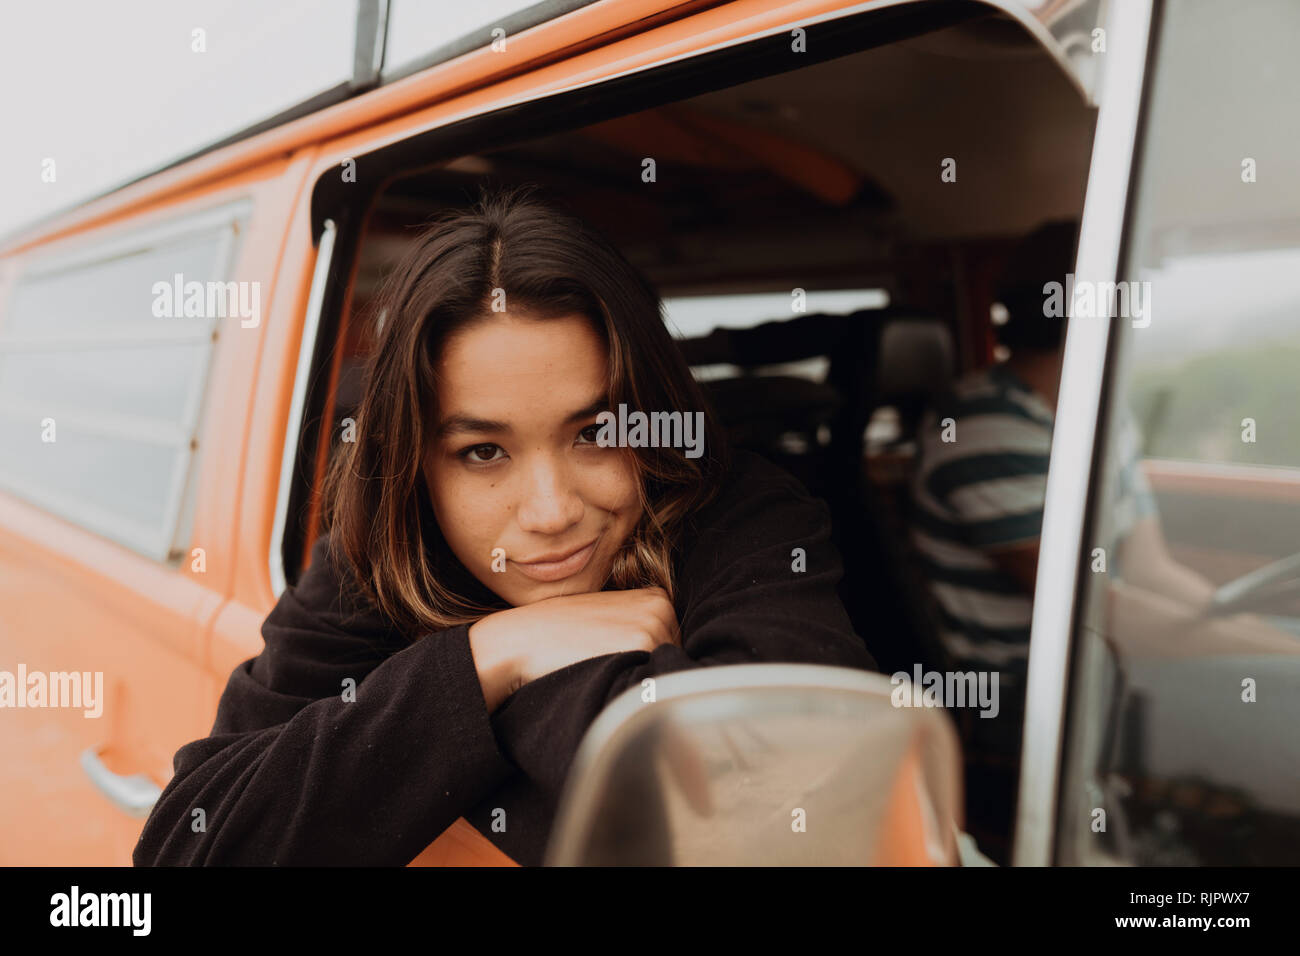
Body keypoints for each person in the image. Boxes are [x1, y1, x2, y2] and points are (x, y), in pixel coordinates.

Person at [132, 184, 877, 867]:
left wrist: (509, 703)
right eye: (483, 452)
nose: (551, 511)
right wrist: (489, 658)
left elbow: (788, 812)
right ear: (416, 465)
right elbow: (190, 848)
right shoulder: (380, 561)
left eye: (595, 433)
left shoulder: (736, 515)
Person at [909, 220, 1296, 861]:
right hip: (1024, 683)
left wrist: (1256, 627)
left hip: (1104, 660)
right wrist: (1271, 654)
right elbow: (1097, 607)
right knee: (1281, 693)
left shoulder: (1102, 413)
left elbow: (1153, 568)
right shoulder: (981, 425)